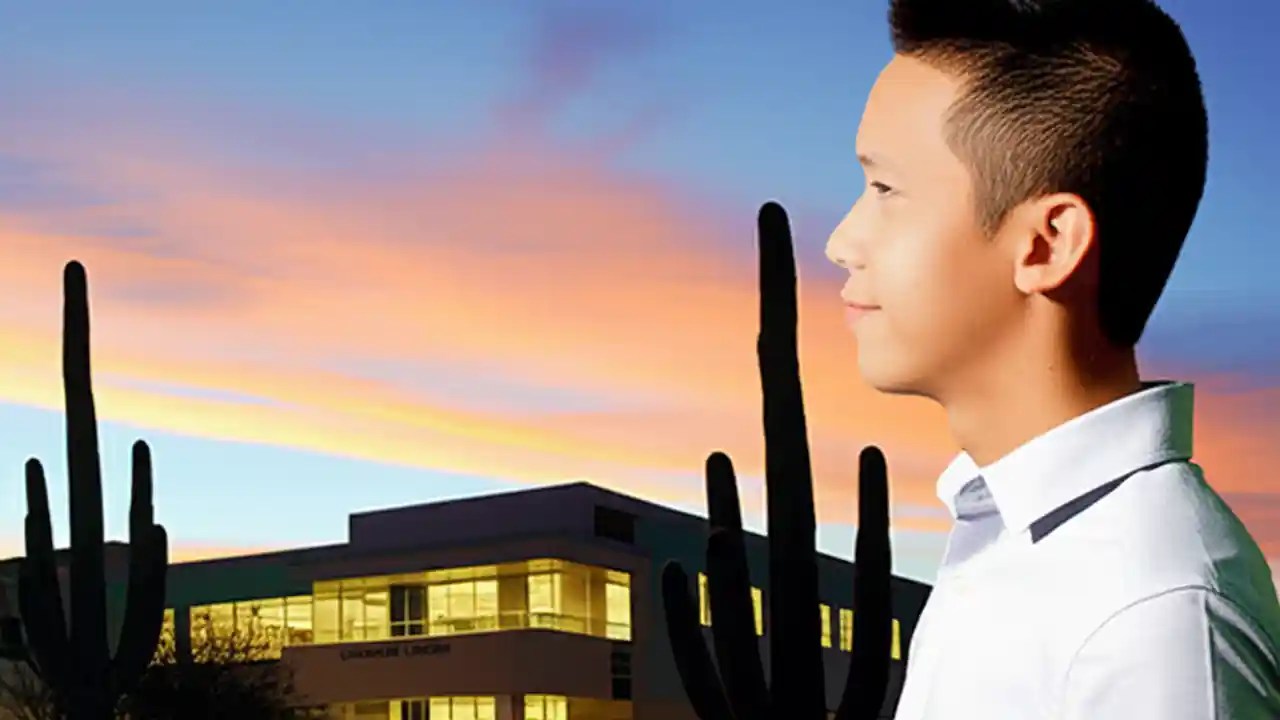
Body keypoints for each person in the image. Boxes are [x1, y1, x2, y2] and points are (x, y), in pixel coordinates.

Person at [823, 0, 1280, 717]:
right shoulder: (1007, 538)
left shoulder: (1154, 621)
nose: (841, 241)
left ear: (1046, 244)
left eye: (885, 190)